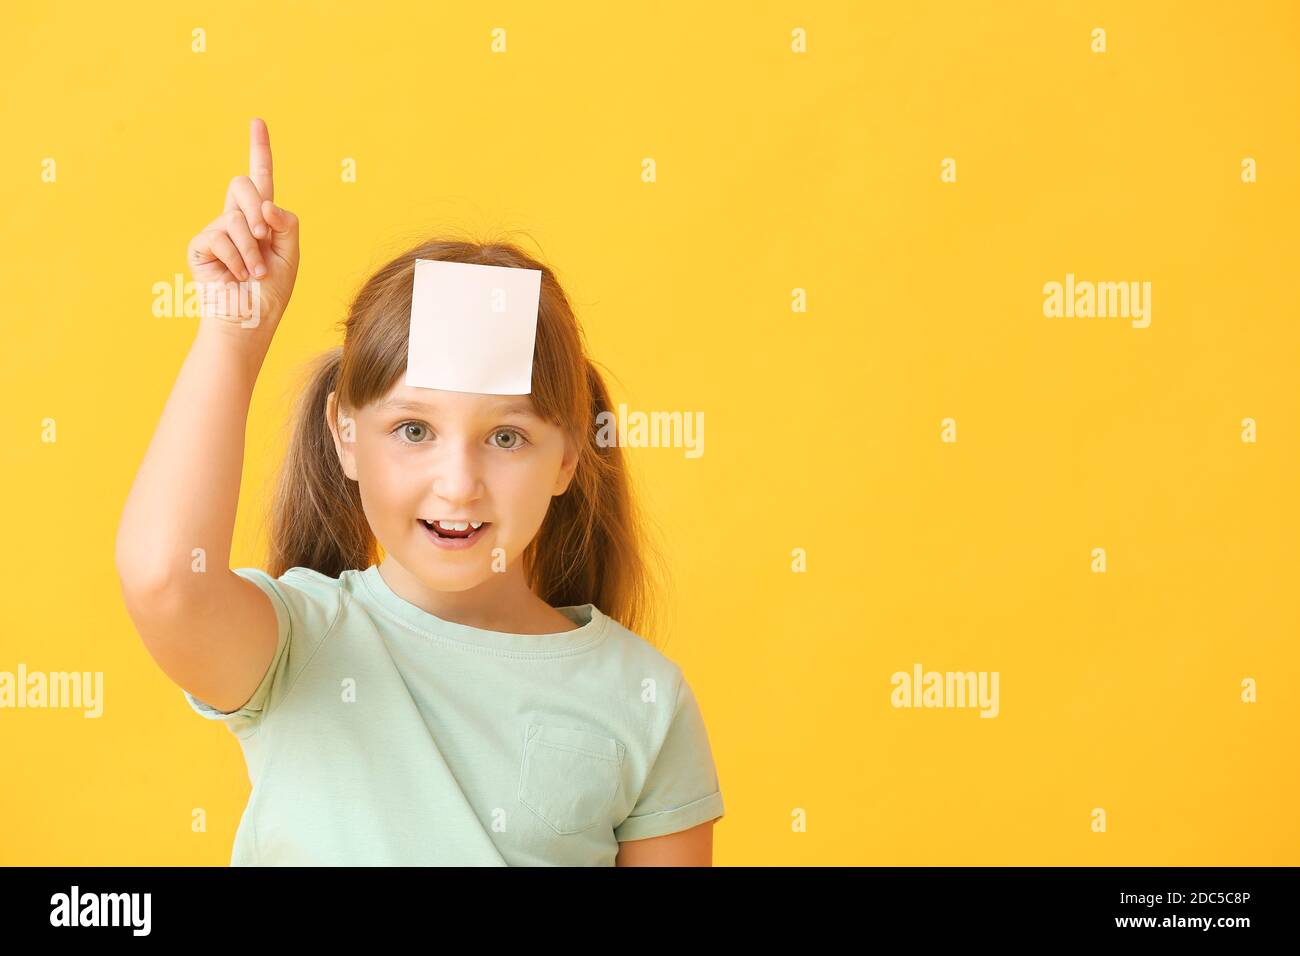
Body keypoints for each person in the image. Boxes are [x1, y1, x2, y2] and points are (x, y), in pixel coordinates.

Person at [115, 118, 724, 866]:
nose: (459, 483)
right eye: (412, 430)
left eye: (506, 438)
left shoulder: (645, 700)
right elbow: (165, 579)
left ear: (569, 457)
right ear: (346, 436)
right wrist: (233, 333)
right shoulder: (300, 647)